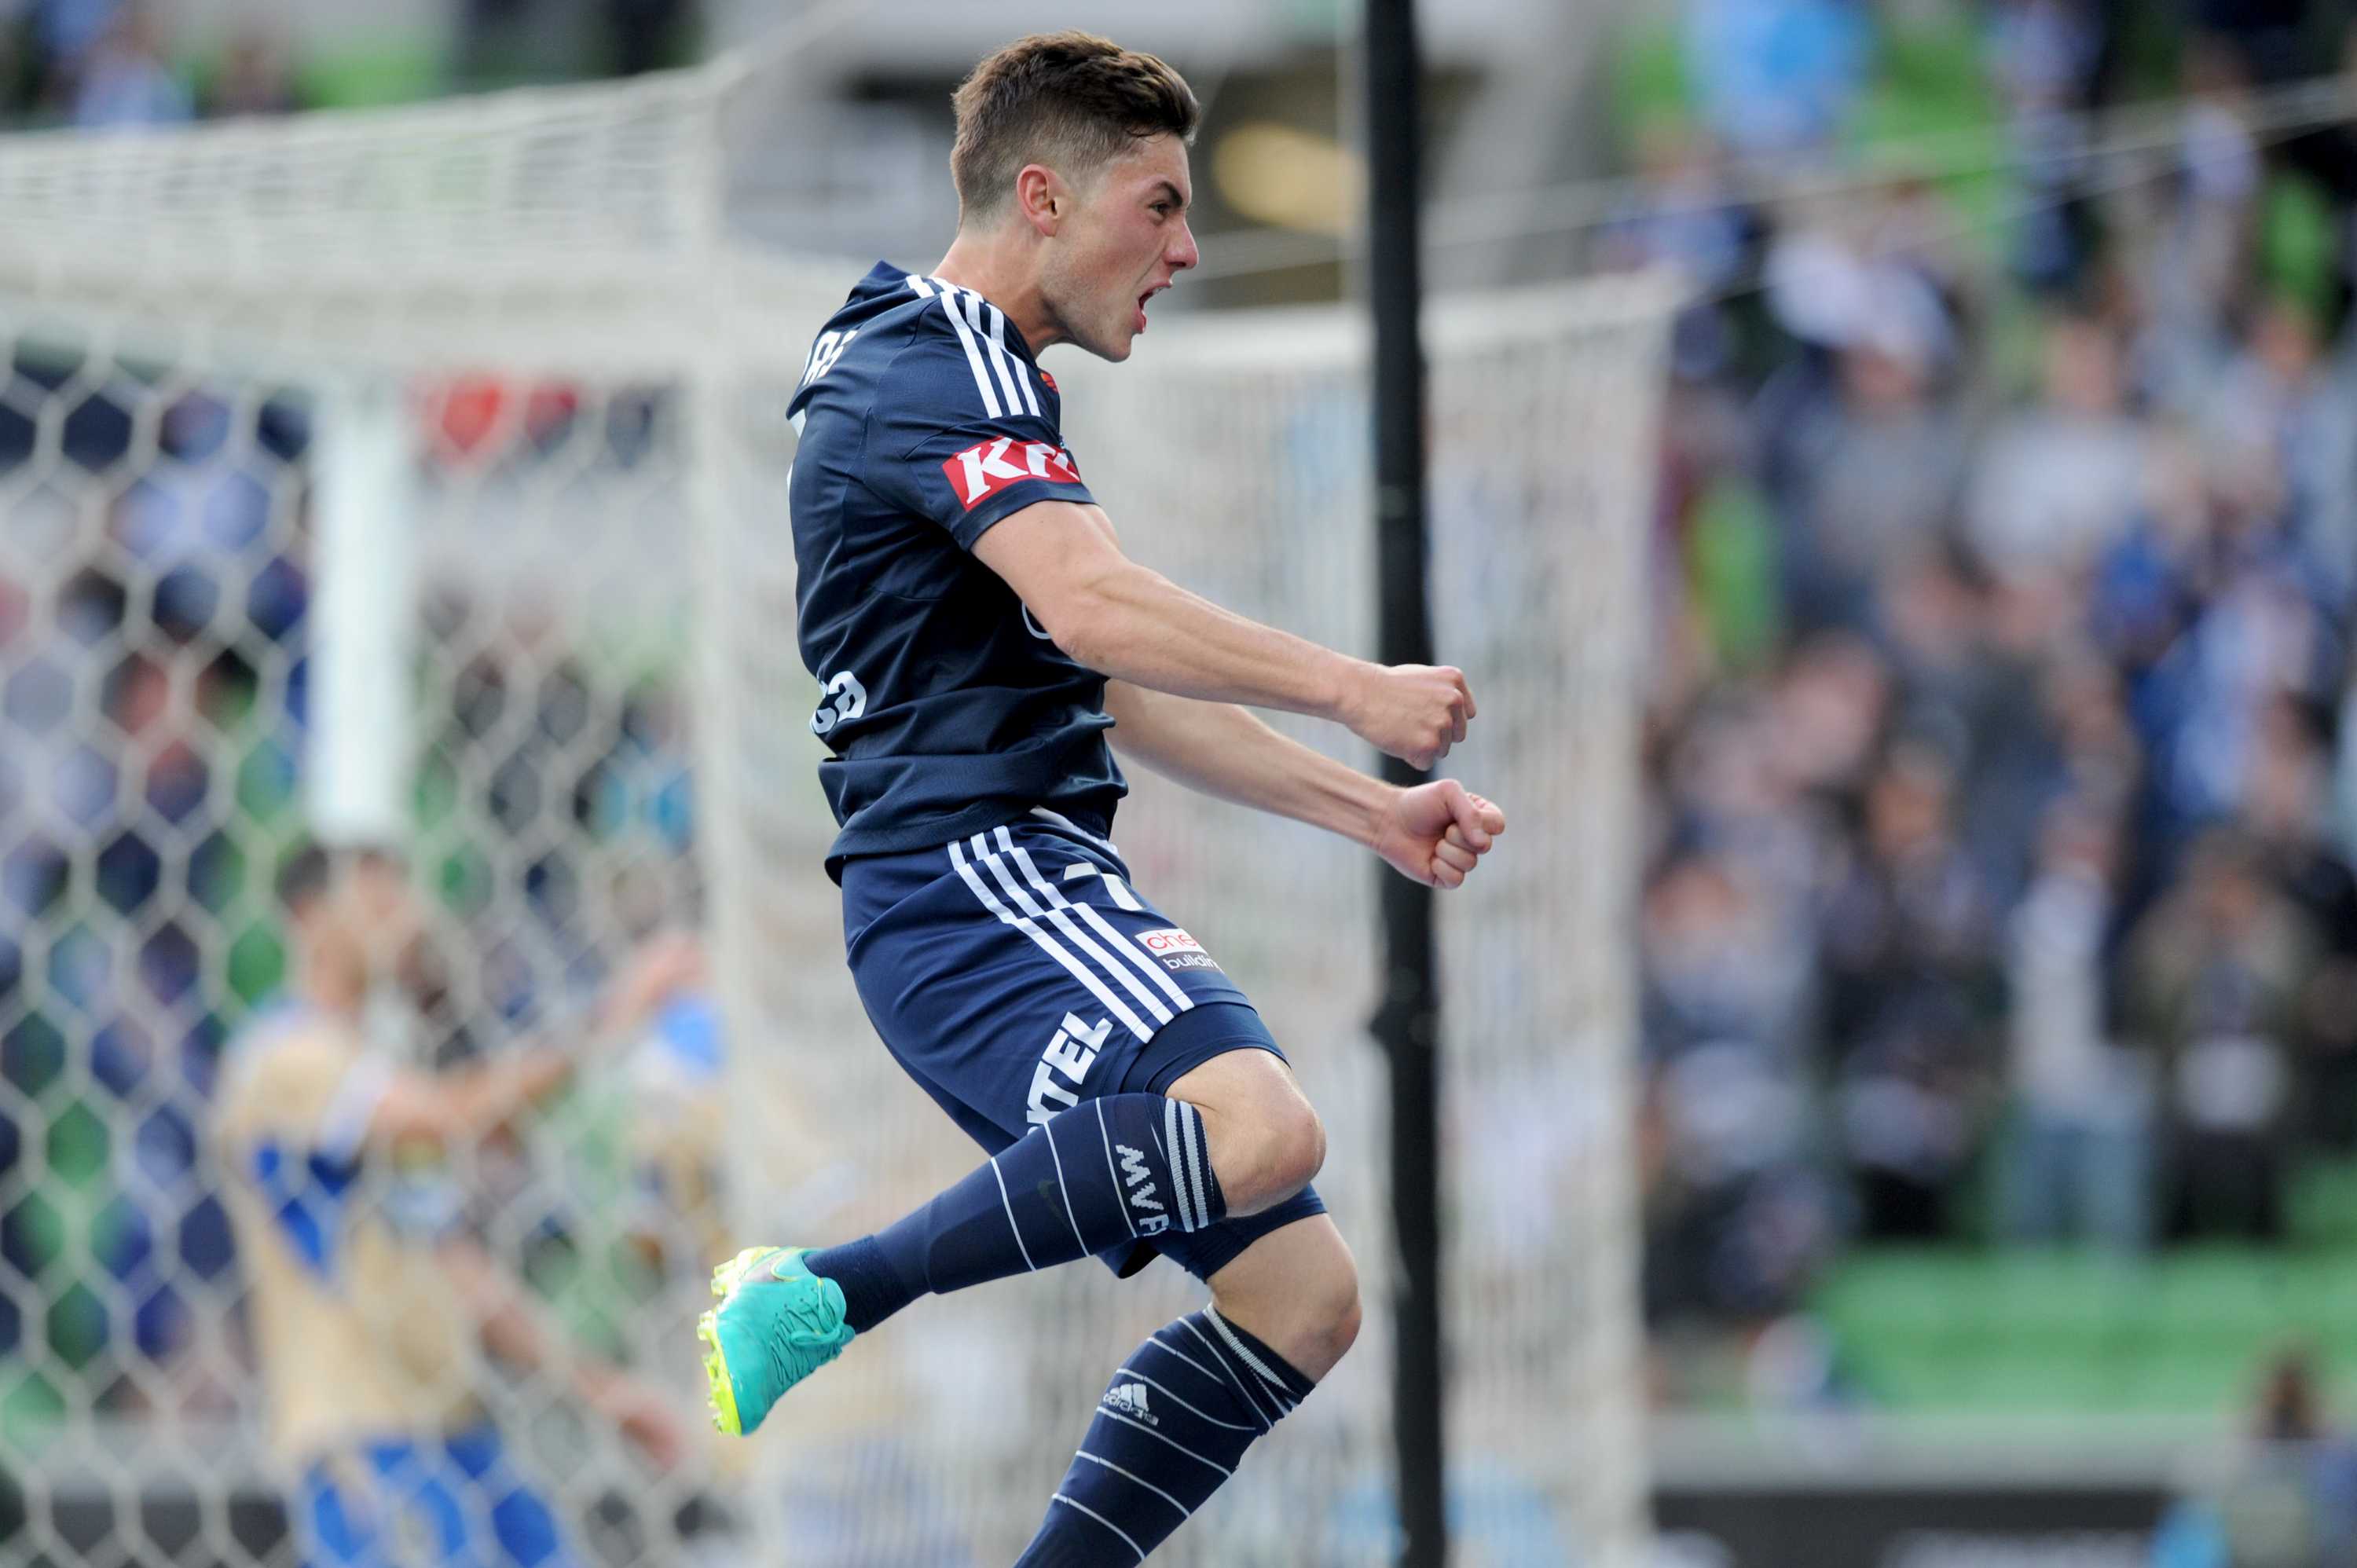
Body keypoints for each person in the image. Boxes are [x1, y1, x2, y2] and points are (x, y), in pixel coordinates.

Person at [698, 31, 1506, 1566]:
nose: (1188, 248)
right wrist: (1356, 684)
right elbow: (1094, 611)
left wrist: (1369, 808)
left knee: (1304, 1296)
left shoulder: (948, 367)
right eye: (1161, 205)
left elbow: (1102, 681)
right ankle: (821, 1289)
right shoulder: (936, 363)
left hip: (1000, 882)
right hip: (974, 878)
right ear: (1047, 196)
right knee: (1261, 1125)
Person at [214, 844, 691, 1567]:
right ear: (310, 919)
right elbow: (453, 1116)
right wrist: (612, 1014)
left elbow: (458, 1269)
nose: (407, 922)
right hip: (362, 1438)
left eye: (406, 900)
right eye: (379, 904)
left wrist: (605, 1393)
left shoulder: (372, 1072)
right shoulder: (282, 1060)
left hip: (455, 1424)